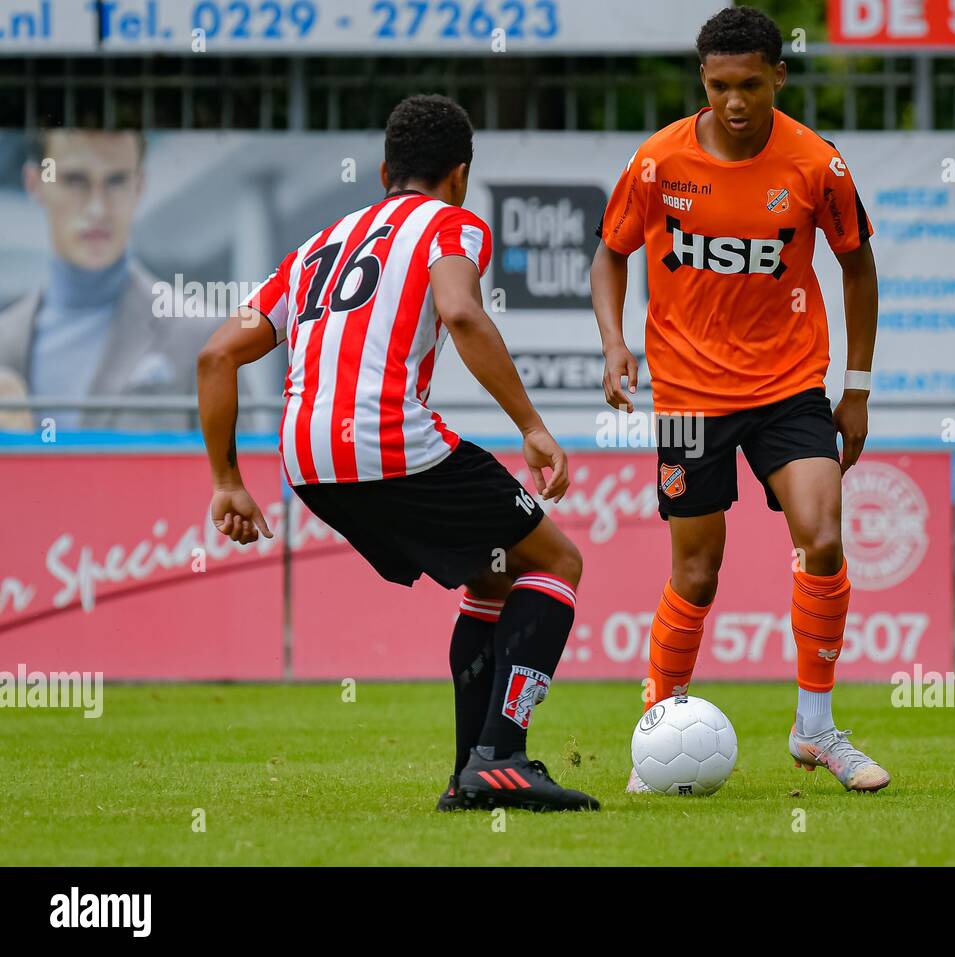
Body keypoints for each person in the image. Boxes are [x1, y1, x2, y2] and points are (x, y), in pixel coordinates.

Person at [196, 94, 598, 813]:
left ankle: (471, 772)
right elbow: (462, 311)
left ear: (384, 169)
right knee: (557, 560)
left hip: (306, 462)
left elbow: (216, 354)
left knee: (496, 572)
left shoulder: (318, 245)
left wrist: (228, 480)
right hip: (388, 439)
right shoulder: (454, 223)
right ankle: (502, 755)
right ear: (461, 175)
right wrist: (532, 424)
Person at [590, 6, 890, 794]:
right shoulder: (658, 163)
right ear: (703, 80)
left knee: (821, 536)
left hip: (790, 386)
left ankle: (816, 729)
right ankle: (656, 736)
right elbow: (609, 256)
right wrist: (614, 342)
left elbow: (859, 269)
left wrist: (855, 389)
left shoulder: (816, 164)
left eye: (750, 84)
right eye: (719, 85)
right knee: (697, 572)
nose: (733, 101)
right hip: (690, 395)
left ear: (778, 77)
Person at [0, 129, 212, 431]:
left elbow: (248, 474)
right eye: (75, 180)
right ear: (35, 184)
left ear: (139, 185)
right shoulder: (5, 342)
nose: (97, 209)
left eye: (116, 181)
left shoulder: (200, 336)